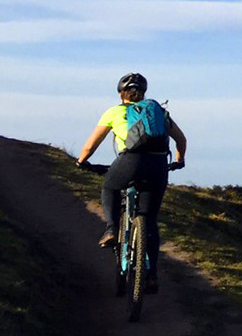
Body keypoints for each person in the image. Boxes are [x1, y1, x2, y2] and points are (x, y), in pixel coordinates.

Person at [76, 72, 187, 291]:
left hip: (130, 162)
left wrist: (82, 161)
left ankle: (110, 230)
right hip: (157, 166)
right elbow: (181, 139)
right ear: (144, 93)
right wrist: (178, 161)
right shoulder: (159, 113)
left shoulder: (115, 112)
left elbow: (90, 145)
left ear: (121, 94)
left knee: (109, 186)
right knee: (149, 220)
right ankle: (152, 275)